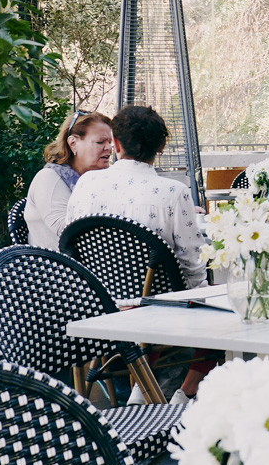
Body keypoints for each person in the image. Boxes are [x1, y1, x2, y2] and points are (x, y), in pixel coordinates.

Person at [66, 105, 211, 403]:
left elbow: (69, 242)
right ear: (160, 147)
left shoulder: (86, 184)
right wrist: (205, 295)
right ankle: (185, 392)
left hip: (97, 310)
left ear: (116, 145)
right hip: (152, 314)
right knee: (220, 314)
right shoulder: (172, 191)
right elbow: (191, 262)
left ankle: (143, 390)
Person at [24, 108, 114, 251]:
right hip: (54, 269)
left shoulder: (97, 179)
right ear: (73, 143)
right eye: (100, 142)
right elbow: (66, 231)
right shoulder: (48, 178)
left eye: (110, 142)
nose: (108, 148)